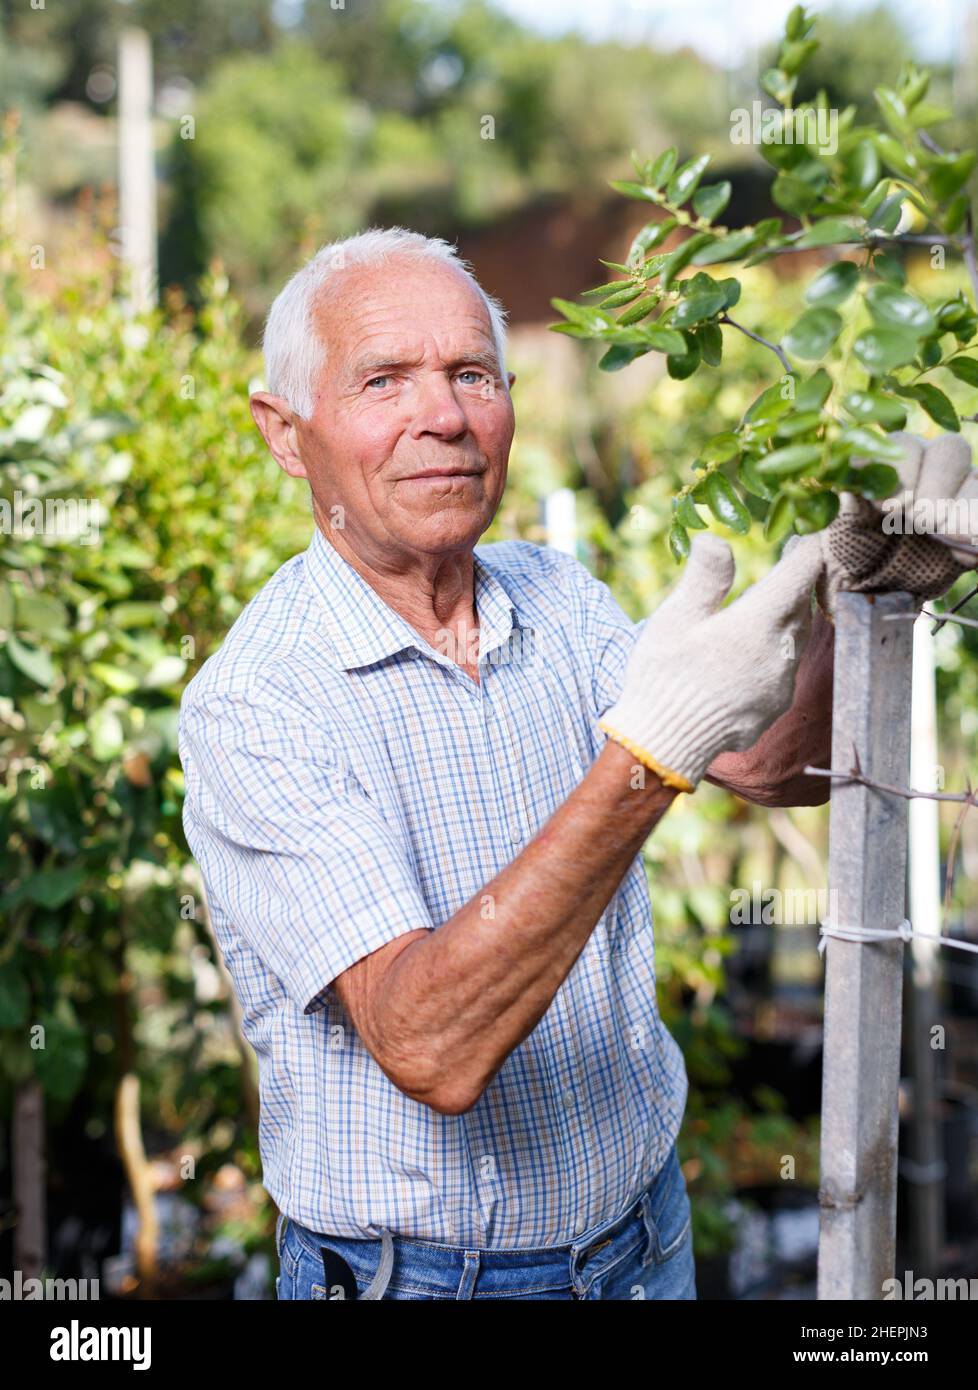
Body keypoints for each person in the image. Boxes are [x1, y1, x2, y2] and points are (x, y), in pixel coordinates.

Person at [177, 226, 975, 1300]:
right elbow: (431, 1043)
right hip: (424, 1280)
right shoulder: (257, 701)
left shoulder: (559, 599)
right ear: (287, 431)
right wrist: (652, 751)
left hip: (644, 1240)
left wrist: (864, 607)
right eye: (383, 381)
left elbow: (772, 766)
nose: (445, 417)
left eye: (472, 374)